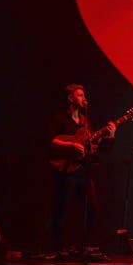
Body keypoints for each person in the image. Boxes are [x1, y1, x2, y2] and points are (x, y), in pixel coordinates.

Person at [47, 84, 115, 253]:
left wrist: (111, 134)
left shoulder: (85, 122)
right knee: (61, 209)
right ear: (71, 98)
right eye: (80, 95)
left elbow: (93, 147)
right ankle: (58, 247)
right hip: (65, 170)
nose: (84, 99)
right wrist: (71, 145)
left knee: (92, 209)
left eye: (84, 95)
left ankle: (82, 245)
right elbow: (51, 141)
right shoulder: (60, 118)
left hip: (82, 170)